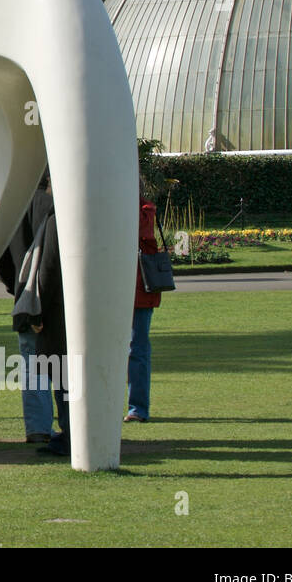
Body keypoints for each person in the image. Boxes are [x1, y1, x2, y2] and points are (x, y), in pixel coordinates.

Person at [0, 171, 67, 448]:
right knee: (60, 365)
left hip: (24, 295)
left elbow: (0, 257)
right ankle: (68, 424)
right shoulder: (54, 208)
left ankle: (38, 427)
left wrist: (15, 287)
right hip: (56, 300)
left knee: (32, 365)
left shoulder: (12, 211)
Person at [127, 176, 164, 423]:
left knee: (137, 349)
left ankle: (138, 408)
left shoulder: (145, 211)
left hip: (140, 293)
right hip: (128, 292)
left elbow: (136, 228)